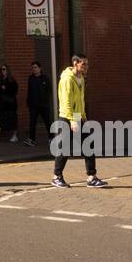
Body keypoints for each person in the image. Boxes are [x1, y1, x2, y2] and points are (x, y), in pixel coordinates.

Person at [52, 54, 107, 188]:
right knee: (65, 148)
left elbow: (80, 100)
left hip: (77, 116)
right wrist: (71, 120)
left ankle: (91, 177)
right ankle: (56, 177)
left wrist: (83, 116)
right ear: (76, 63)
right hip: (66, 117)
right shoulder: (67, 79)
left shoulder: (80, 77)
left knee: (88, 145)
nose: (87, 67)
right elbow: (66, 102)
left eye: (87, 64)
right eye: (84, 64)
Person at [0, 65, 19, 142]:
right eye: (1, 69)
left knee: (12, 119)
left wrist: (6, 89)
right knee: (0, 118)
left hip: (10, 104)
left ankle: (15, 136)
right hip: (2, 103)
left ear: (7, 70)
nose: (2, 71)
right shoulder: (1, 80)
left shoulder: (12, 80)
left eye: (4, 69)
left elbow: (14, 91)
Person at [25, 61, 49, 146]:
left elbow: (48, 91)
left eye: (35, 67)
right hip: (33, 105)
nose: (34, 69)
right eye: (32, 68)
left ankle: (51, 138)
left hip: (44, 105)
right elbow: (29, 91)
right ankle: (32, 140)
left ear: (40, 68)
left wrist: (46, 101)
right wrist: (28, 102)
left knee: (47, 122)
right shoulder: (31, 78)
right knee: (32, 123)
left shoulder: (45, 78)